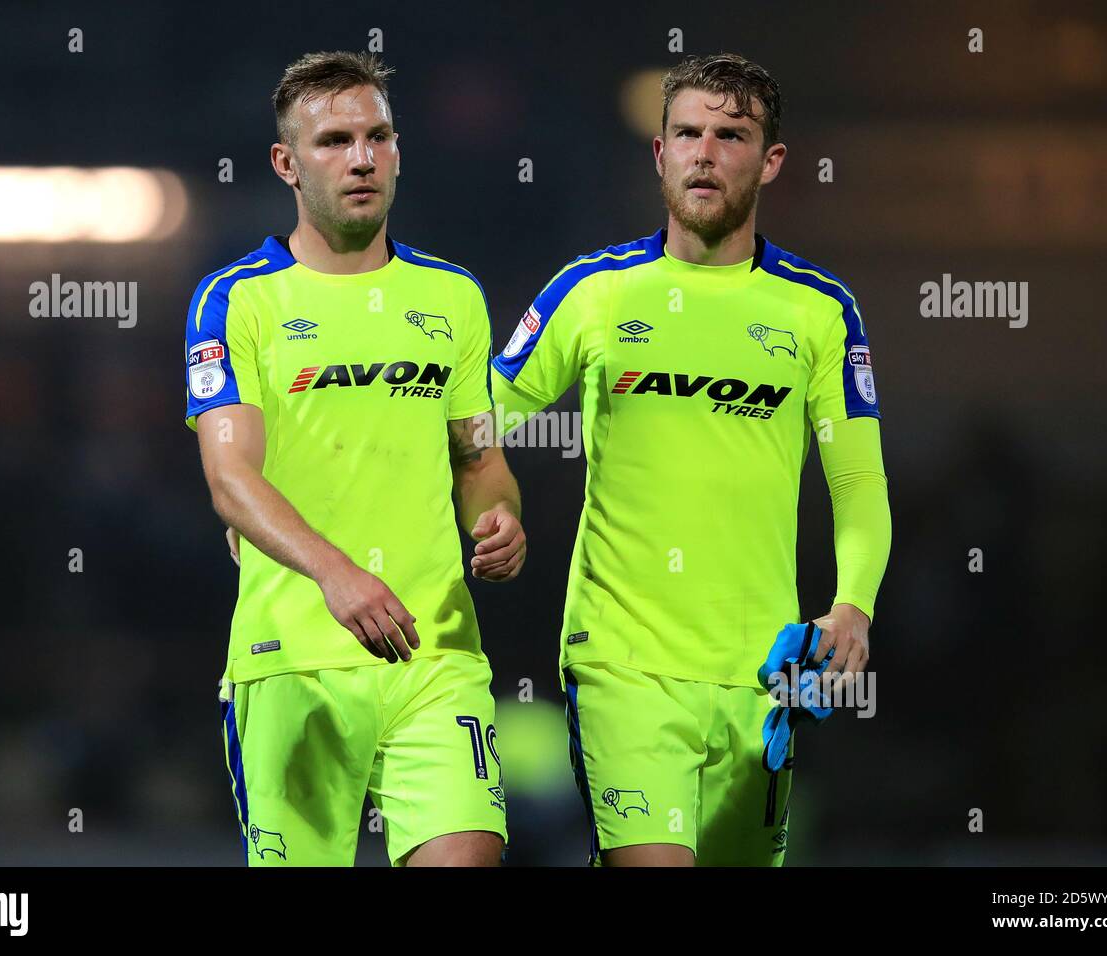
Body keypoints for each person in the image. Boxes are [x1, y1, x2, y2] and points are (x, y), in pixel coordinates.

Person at [490, 53, 890, 865]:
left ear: (770, 160)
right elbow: (473, 425)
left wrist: (854, 605)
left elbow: (857, 482)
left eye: (731, 135)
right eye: (687, 133)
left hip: (764, 678)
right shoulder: (592, 292)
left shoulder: (819, 309)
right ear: (660, 152)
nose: (705, 152)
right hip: (622, 664)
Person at [185, 51, 525, 866]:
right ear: (286, 163)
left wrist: (501, 517)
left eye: (378, 137)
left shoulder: (452, 297)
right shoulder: (236, 300)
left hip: (435, 654)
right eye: (334, 140)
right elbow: (231, 479)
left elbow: (477, 458)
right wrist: (337, 573)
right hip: (290, 662)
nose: (362, 158)